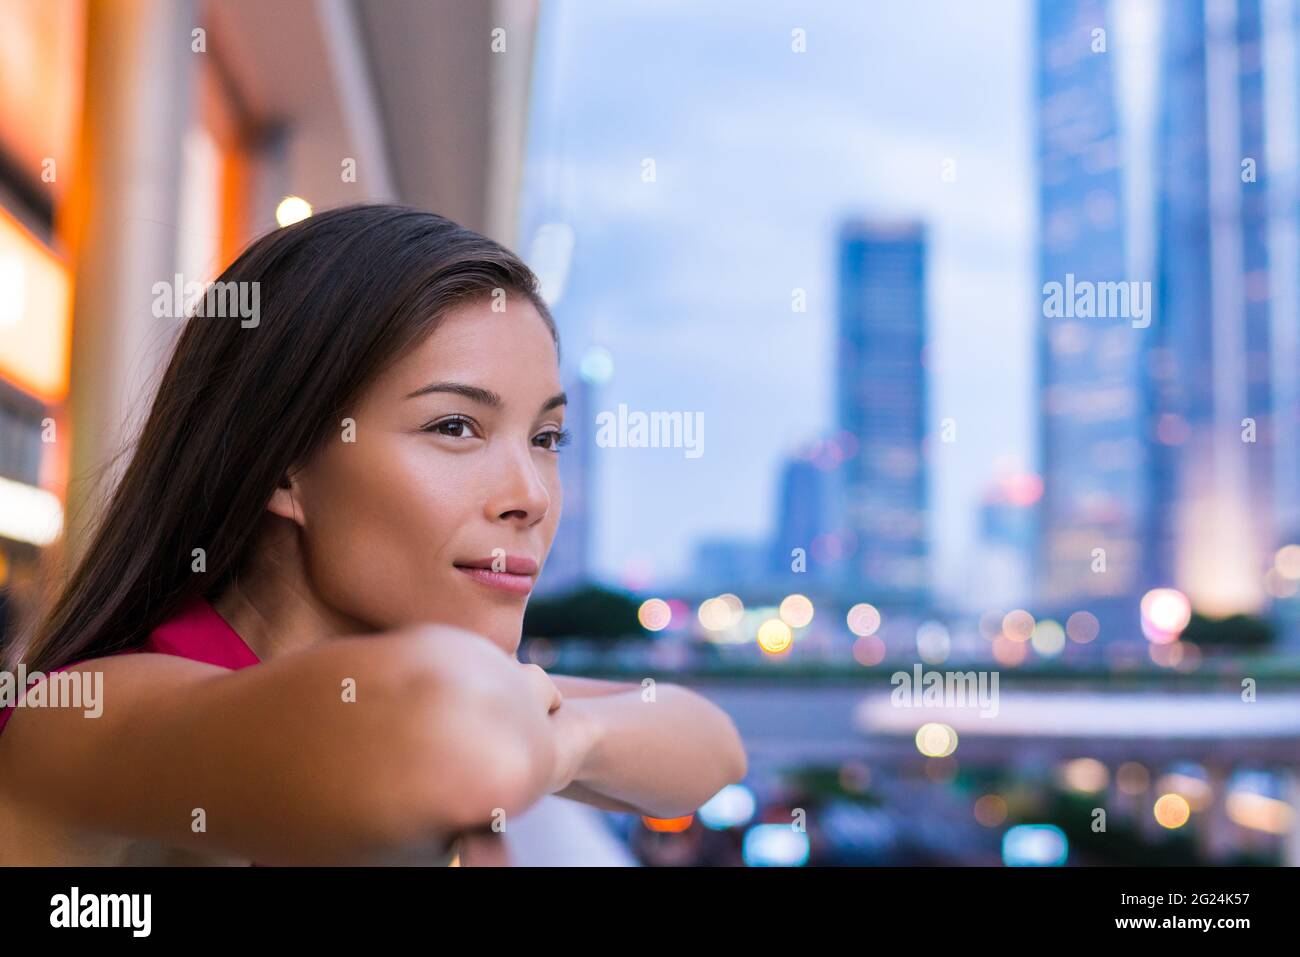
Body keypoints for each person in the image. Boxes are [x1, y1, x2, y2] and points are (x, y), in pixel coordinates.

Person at [0, 204, 747, 865]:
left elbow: (711, 742)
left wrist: (567, 739)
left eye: (547, 437)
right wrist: (542, 736)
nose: (531, 496)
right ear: (284, 465)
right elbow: (441, 747)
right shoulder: (82, 717)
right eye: (455, 426)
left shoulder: (471, 704)